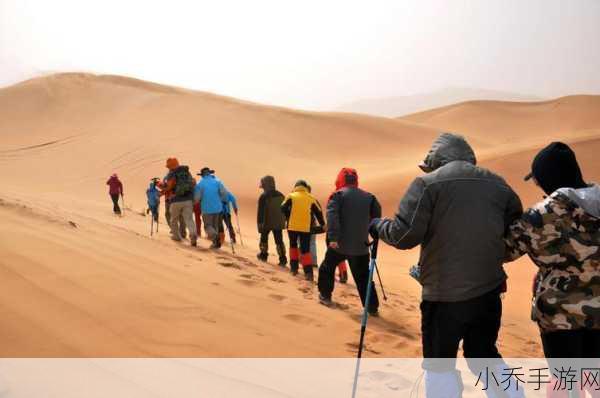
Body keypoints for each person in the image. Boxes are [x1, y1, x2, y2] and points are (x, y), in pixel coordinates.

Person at [370, 133, 523, 398]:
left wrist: (376, 226)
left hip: (443, 297)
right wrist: (489, 259)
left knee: (439, 365)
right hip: (488, 292)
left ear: (437, 160)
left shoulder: (427, 184)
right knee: (484, 355)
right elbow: (517, 237)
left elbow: (403, 236)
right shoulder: (499, 185)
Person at [504, 142, 600, 398]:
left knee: (565, 384)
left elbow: (505, 250)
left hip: (560, 318)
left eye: (537, 180)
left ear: (547, 179)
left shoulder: (541, 215)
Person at [318, 168, 381, 315]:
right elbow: (377, 219)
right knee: (364, 277)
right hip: (361, 246)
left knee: (327, 269)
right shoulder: (370, 197)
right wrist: (373, 235)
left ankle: (325, 296)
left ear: (340, 180)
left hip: (339, 245)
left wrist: (333, 238)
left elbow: (332, 217)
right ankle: (372, 308)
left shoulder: (337, 195)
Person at [281, 180, 325, 281]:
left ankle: (294, 268)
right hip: (306, 228)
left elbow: (282, 208)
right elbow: (318, 212)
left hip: (292, 227)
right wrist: (323, 225)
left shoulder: (291, 196)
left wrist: (289, 216)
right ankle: (308, 273)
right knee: (305, 250)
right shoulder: (311, 198)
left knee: (293, 246)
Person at [161, 157, 197, 246]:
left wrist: (162, 188)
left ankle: (176, 236)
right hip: (188, 200)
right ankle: (193, 234)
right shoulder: (186, 172)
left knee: (173, 219)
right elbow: (193, 183)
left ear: (170, 166)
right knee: (189, 219)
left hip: (176, 200)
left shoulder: (171, 174)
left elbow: (169, 187)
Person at [257, 175, 287, 266]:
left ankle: (263, 255)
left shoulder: (263, 196)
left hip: (267, 221)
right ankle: (283, 259)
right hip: (278, 222)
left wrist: (260, 224)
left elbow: (260, 212)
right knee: (279, 240)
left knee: (264, 238)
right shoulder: (281, 195)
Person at [194, 167, 227, 249]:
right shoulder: (218, 181)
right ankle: (215, 243)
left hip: (206, 208)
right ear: (209, 174)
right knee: (214, 225)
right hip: (218, 208)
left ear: (202, 175)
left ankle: (216, 238)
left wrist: (194, 202)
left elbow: (197, 198)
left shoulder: (200, 184)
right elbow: (224, 192)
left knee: (208, 226)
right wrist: (223, 200)